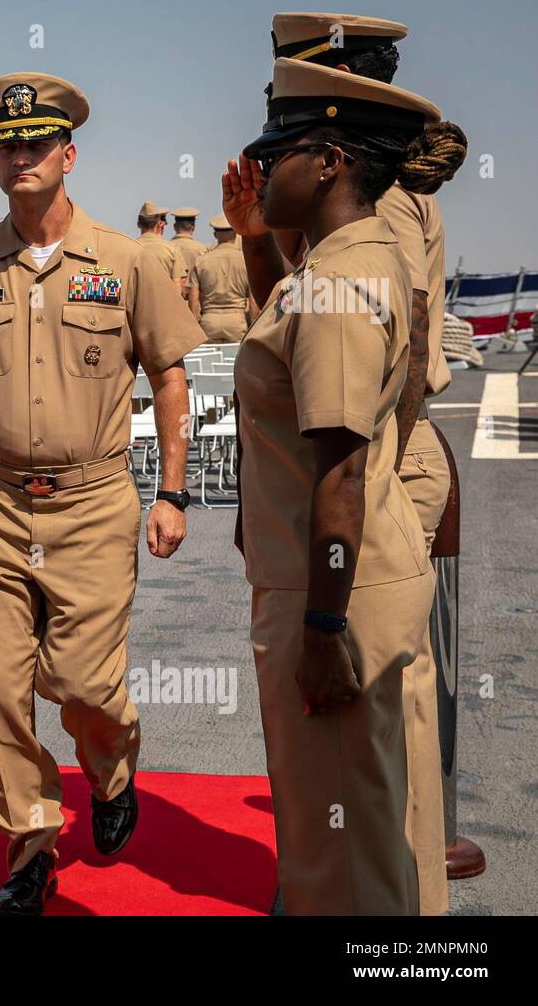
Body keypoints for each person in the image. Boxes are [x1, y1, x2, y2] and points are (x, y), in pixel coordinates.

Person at [0, 72, 205, 915]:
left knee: (83, 681)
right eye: (6, 144)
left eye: (36, 144)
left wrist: (174, 493)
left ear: (68, 154)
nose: (20, 156)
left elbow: (168, 376)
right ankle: (29, 844)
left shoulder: (128, 260)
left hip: (92, 503)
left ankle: (112, 766)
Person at [224, 57, 464, 914]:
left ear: (328, 161)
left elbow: (342, 467)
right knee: (388, 824)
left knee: (337, 860)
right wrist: (257, 239)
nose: (260, 167)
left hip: (335, 592)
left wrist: (322, 632)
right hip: (372, 574)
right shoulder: (359, 259)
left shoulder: (332, 285)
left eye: (277, 149)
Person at [184, 213, 253, 341]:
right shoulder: (245, 260)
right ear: (235, 234)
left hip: (210, 321)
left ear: (215, 235)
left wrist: (193, 329)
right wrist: (254, 324)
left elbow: (193, 298)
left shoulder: (201, 261)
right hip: (237, 321)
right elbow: (252, 298)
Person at [135, 201, 182, 283]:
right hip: (165, 295)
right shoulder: (172, 249)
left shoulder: (129, 247)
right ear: (158, 224)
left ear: (138, 224)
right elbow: (178, 286)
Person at [168, 207, 206, 288]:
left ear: (174, 226)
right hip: (197, 298)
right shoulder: (203, 250)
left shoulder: (167, 248)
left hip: (171, 298)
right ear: (193, 227)